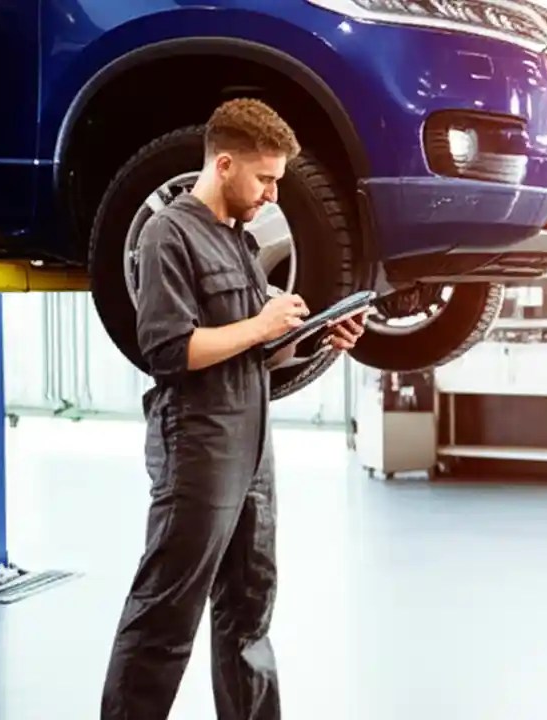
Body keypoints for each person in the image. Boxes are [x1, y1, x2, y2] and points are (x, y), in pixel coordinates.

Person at [100, 98, 365, 719]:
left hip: (250, 440)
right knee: (166, 611)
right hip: (198, 440)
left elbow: (255, 352)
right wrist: (260, 323)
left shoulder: (241, 241)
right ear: (224, 164)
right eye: (265, 178)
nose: (273, 194)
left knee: (249, 607)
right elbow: (170, 351)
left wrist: (317, 336)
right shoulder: (169, 233)